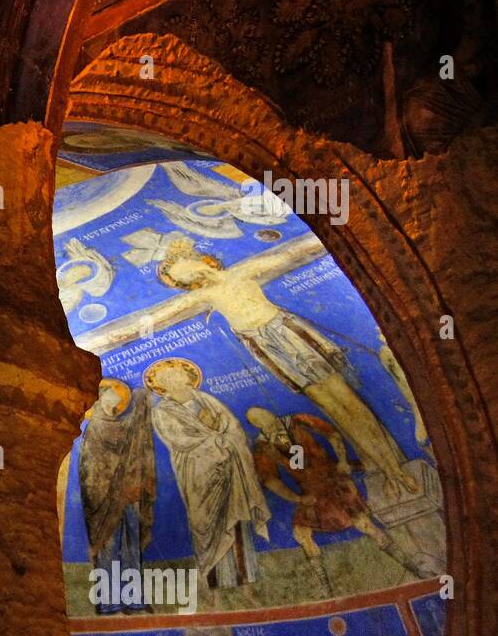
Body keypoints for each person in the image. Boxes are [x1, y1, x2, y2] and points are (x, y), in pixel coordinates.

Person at [157, 239, 417, 498]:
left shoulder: (241, 272)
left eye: (183, 269)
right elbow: (166, 312)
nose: (186, 278)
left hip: (287, 334)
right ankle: (386, 471)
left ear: (199, 260)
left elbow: (290, 255)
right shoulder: (204, 295)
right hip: (266, 346)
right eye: (180, 279)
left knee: (348, 400)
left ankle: (396, 468)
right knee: (331, 406)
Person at [247, 407, 440, 594]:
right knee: (301, 533)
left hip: (333, 478)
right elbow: (271, 481)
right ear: (257, 425)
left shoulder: (298, 420)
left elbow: (332, 434)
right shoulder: (263, 446)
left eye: (267, 415)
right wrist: (297, 498)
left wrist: (343, 460)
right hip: (311, 491)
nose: (267, 419)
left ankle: (414, 568)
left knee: (365, 524)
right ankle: (325, 587)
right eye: (261, 420)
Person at [146, 358, 271, 591]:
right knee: (208, 523)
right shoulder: (162, 411)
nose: (179, 377)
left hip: (229, 465)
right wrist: (216, 439)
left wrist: (225, 439)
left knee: (236, 517)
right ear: (163, 384)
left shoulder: (207, 400)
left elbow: (234, 427)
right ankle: (217, 586)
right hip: (197, 471)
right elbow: (179, 440)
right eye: (171, 376)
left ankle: (247, 581)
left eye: (180, 373)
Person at [78, 379, 157, 614]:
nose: (114, 403)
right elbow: (91, 469)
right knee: (109, 548)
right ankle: (110, 600)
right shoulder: (96, 428)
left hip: (127, 497)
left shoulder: (122, 426)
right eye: (109, 397)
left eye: (116, 399)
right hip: (103, 501)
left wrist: (142, 404)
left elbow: (135, 435)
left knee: (131, 545)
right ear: (99, 400)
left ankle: (133, 599)